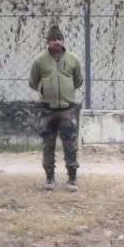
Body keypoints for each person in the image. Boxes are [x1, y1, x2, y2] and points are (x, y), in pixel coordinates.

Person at [28, 25, 84, 191]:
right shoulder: (39, 61)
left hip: (67, 108)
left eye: (59, 39)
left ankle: (72, 178)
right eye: (53, 40)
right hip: (47, 109)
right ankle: (50, 178)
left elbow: (78, 80)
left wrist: (66, 92)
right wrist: (46, 89)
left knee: (70, 143)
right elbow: (33, 81)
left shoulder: (73, 59)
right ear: (47, 42)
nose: (57, 42)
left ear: (63, 41)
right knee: (48, 144)